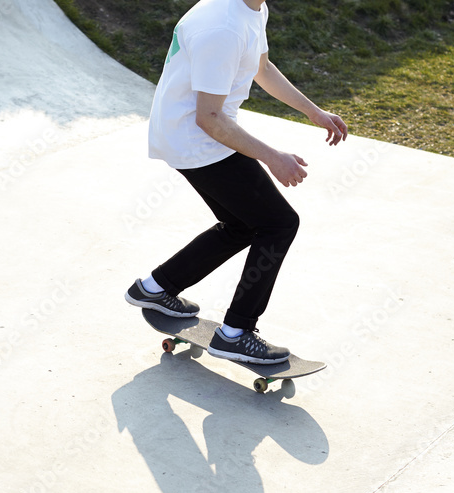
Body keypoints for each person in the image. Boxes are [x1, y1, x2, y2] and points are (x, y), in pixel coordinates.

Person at [125, 0, 347, 364]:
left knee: (243, 225)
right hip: (198, 139)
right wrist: (273, 157)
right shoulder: (223, 26)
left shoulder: (251, 9)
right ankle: (235, 334)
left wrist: (313, 111)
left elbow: (262, 66)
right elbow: (209, 119)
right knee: (278, 224)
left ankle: (154, 287)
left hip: (192, 132)